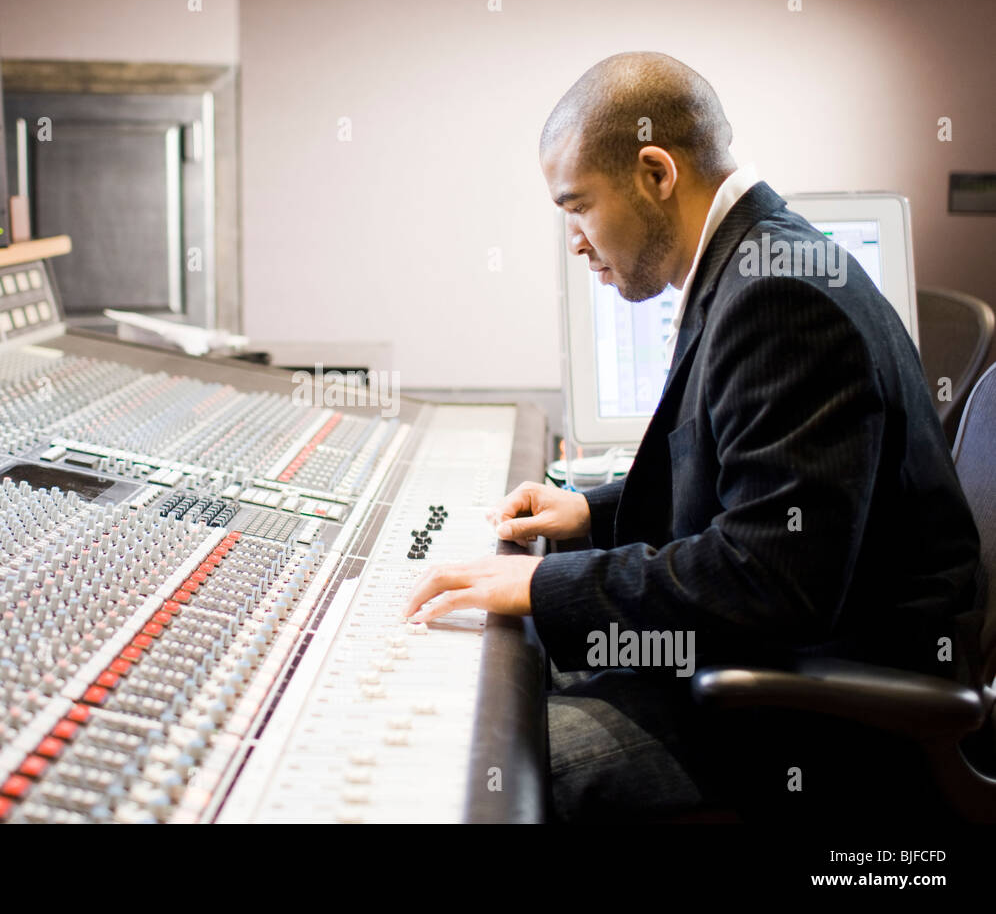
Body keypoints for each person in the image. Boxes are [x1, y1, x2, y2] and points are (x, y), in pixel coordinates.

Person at [402, 51, 981, 821]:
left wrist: (544, 585)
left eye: (578, 206)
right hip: (776, 663)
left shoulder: (778, 295)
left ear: (655, 172)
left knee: (483, 777)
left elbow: (770, 581)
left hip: (821, 714)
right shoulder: (751, 264)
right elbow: (733, 481)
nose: (575, 240)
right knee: (504, 698)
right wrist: (591, 515)